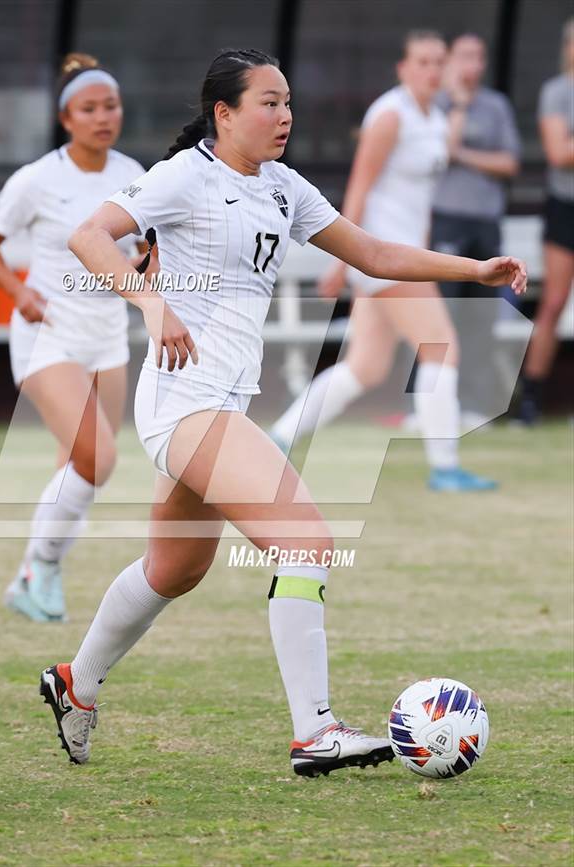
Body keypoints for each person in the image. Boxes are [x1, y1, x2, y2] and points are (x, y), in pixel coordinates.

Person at [38, 48, 526, 776]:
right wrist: (149, 300)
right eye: (268, 102)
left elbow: (371, 252)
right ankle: (315, 730)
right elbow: (88, 236)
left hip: (218, 400)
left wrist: (473, 271)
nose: (285, 115)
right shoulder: (183, 177)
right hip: (186, 398)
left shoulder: (281, 187)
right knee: (306, 541)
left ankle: (74, 682)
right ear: (224, 113)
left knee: (173, 570)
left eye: (288, 101)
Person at [270, 31, 499, 491]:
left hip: (402, 255)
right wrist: (342, 261)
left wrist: (426, 253)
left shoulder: (435, 117)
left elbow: (421, 198)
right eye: (423, 62)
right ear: (403, 67)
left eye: (439, 62)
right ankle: (445, 467)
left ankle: (277, 439)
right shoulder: (389, 115)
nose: (432, 71)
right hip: (380, 254)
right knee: (441, 346)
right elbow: (359, 188)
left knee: (366, 367)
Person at [0, 53, 149, 622]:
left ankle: (30, 577)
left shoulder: (134, 175)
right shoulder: (37, 179)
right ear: (65, 118)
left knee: (78, 468)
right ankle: (42, 568)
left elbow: (145, 250)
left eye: (111, 106)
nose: (103, 117)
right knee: (99, 457)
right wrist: (18, 293)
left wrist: (150, 263)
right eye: (89, 108)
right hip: (48, 337)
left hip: (108, 338)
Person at [430, 33, 521, 428]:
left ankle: (473, 405)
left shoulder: (496, 105)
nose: (474, 64)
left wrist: (465, 155)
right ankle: (430, 406)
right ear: (450, 60)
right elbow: (442, 152)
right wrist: (459, 106)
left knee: (481, 316)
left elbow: (509, 162)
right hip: (447, 217)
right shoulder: (435, 103)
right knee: (441, 312)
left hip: (486, 220)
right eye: (465, 56)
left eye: (479, 57)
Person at [514, 18, 574, 424]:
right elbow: (559, 154)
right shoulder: (557, 92)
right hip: (565, 205)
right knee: (554, 301)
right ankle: (531, 398)